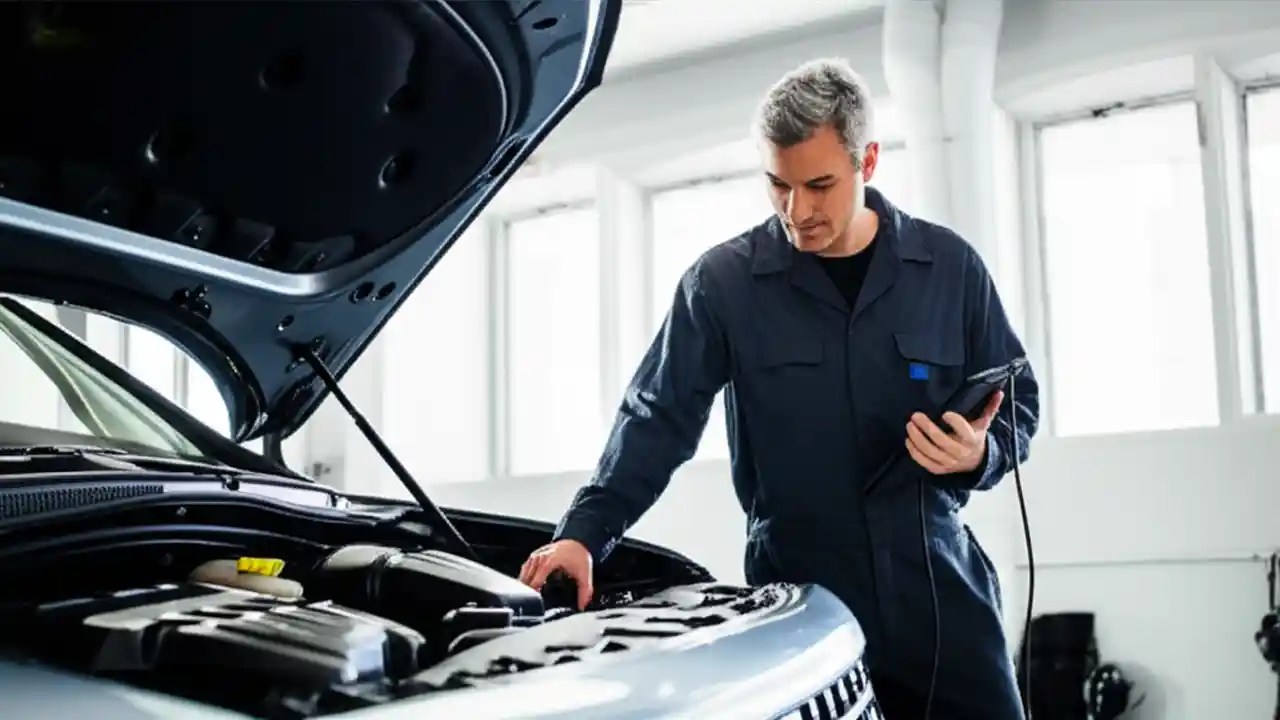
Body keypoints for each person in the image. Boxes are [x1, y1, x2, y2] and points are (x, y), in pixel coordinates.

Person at [518, 57, 1040, 720]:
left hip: (940, 599)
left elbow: (1018, 399)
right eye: (778, 185)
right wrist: (584, 534)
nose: (799, 211)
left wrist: (979, 454)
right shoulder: (723, 287)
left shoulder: (950, 268)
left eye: (820, 185)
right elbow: (656, 420)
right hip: (802, 614)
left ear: (868, 161)